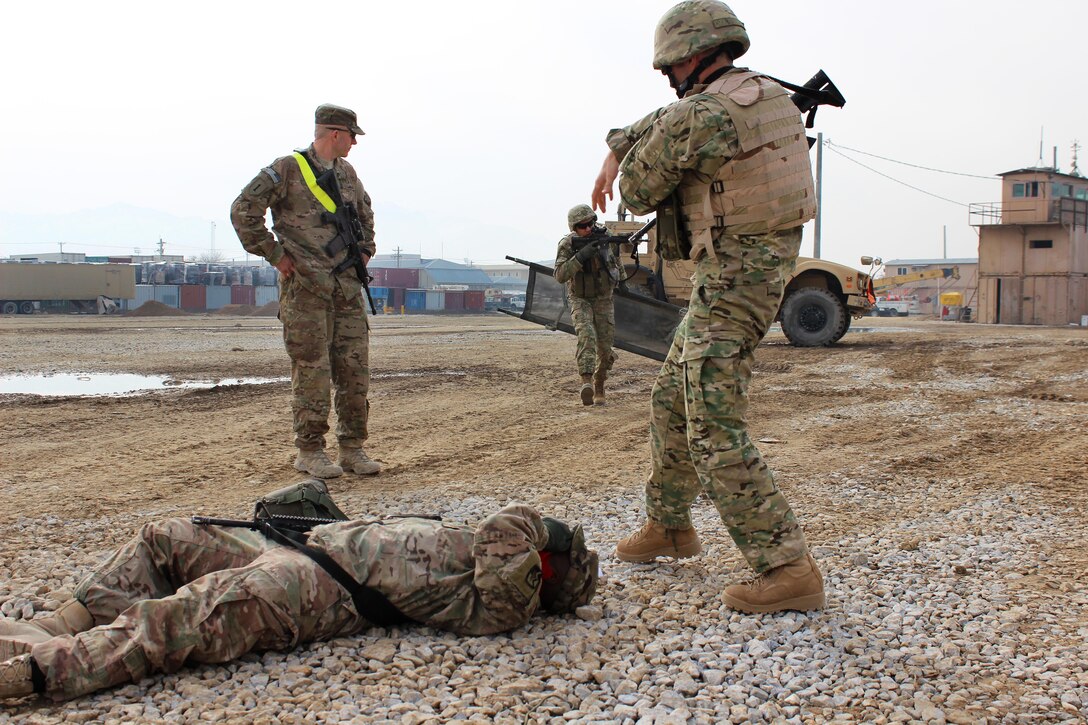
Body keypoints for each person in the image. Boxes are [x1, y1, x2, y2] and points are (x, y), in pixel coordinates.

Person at [591, 0, 824, 613]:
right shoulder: (762, 94)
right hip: (749, 271)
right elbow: (671, 118)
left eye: (670, 66)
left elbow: (640, 191)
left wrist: (623, 154)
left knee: (711, 420)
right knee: (671, 395)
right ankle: (670, 525)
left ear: (691, 57)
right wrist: (621, 142)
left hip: (734, 280)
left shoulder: (703, 114)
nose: (668, 77)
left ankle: (786, 567)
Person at [0, 504, 598, 701]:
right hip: (300, 548)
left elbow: (507, 526)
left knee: (180, 618)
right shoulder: (482, 558)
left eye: (549, 555)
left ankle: (36, 670)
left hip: (313, 593)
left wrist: (549, 535)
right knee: (166, 537)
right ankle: (62, 623)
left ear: (545, 576)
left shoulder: (503, 602)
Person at [230, 104, 379, 479]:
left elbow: (365, 215)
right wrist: (275, 254)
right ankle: (310, 451)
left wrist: (364, 250)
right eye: (350, 137)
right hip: (306, 289)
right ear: (334, 134)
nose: (353, 144)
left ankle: (352, 449)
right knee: (312, 370)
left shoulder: (347, 174)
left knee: (353, 370)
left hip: (346, 288)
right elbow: (244, 211)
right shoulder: (287, 169)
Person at [553, 204, 623, 405]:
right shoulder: (567, 244)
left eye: (591, 223)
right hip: (580, 298)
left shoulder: (605, 236)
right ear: (574, 228)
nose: (589, 228)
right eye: (583, 226)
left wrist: (623, 282)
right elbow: (559, 275)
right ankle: (586, 381)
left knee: (605, 346)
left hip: (603, 298)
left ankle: (599, 383)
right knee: (587, 336)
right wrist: (581, 256)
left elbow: (616, 260)